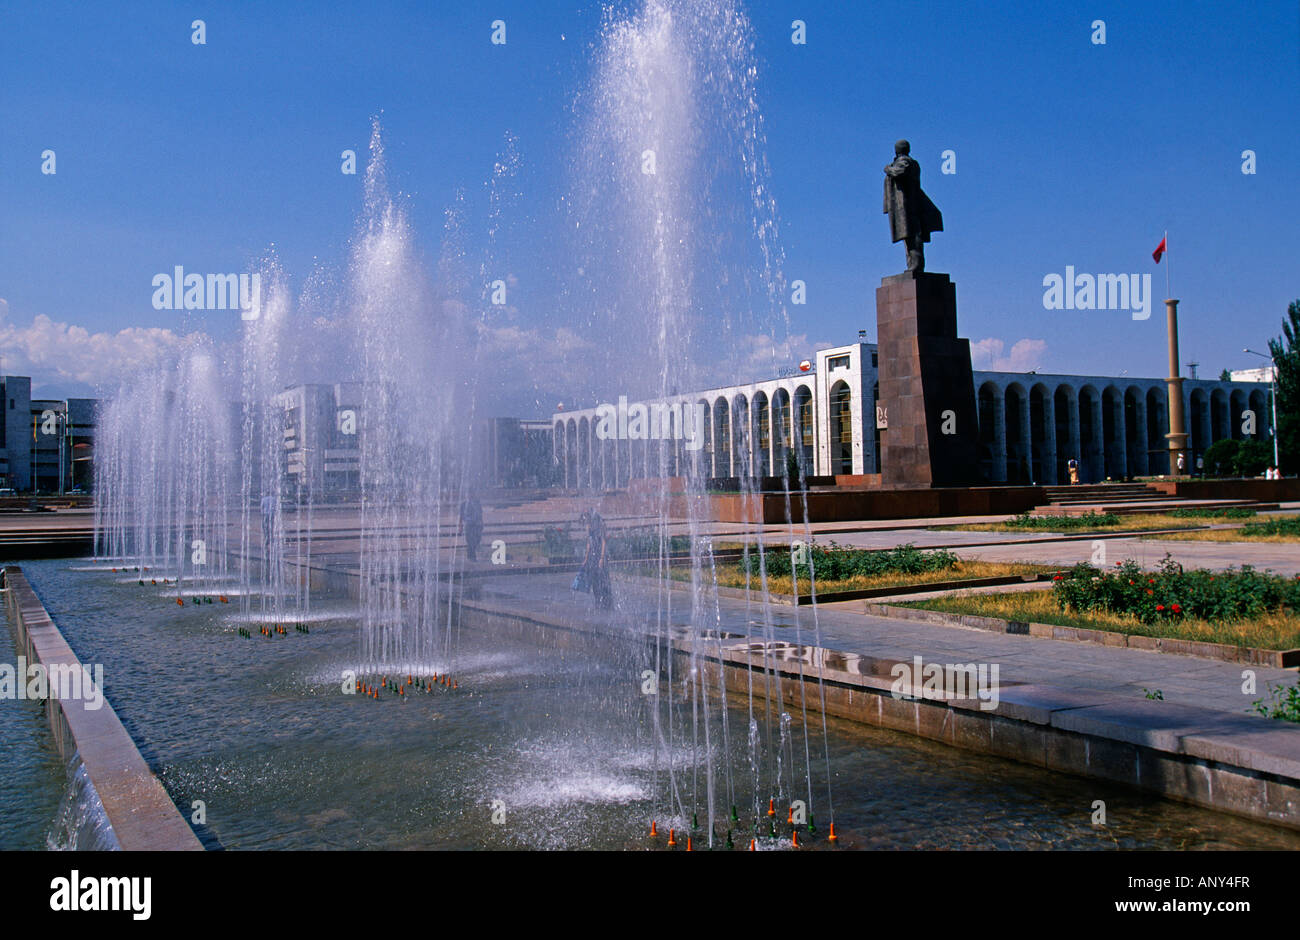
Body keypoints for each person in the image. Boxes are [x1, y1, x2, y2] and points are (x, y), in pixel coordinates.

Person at [883, 139, 943, 273]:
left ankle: (916, 264)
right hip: (906, 204)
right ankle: (912, 264)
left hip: (907, 205)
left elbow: (899, 172)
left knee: (912, 234)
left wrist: (888, 169)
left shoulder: (905, 162)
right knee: (908, 236)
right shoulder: (906, 162)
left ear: (898, 150)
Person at [575, 509, 612, 609]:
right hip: (592, 556)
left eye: (586, 522)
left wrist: (601, 558)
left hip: (600, 556)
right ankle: (598, 602)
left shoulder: (600, 526)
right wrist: (586, 558)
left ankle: (607, 602)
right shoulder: (589, 526)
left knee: (603, 579)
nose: (586, 525)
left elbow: (604, 542)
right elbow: (588, 542)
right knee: (594, 580)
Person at [460, 492, 483, 562]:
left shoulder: (477, 503)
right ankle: (472, 556)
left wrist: (482, 523)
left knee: (477, 539)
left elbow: (480, 514)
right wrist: (460, 526)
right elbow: (461, 516)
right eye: (469, 494)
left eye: (472, 493)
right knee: (470, 540)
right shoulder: (464, 504)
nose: (471, 495)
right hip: (468, 525)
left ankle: (471, 553)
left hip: (477, 525)